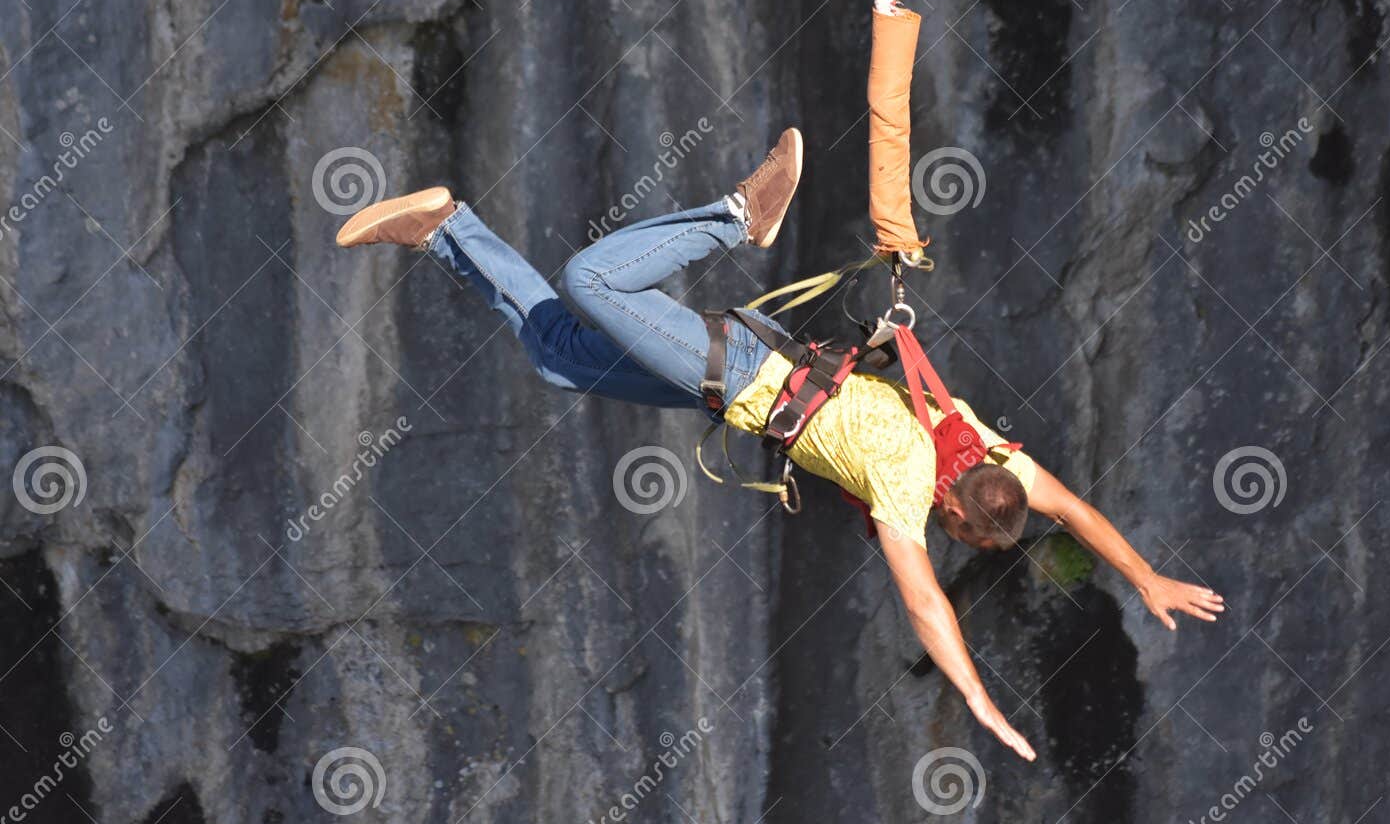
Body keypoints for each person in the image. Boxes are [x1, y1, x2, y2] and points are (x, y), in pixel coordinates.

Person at [337, 129, 1225, 760]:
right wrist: (980, 701)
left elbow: (1073, 513)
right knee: (589, 279)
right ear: (953, 508)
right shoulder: (907, 491)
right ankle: (740, 213)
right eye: (955, 535)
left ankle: (445, 225)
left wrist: (1147, 577)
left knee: (560, 357)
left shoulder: (992, 452)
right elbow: (925, 608)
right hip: (740, 368)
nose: (943, 540)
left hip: (738, 377)